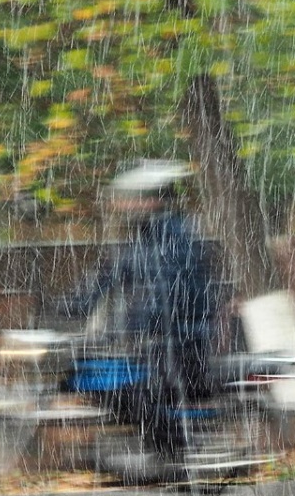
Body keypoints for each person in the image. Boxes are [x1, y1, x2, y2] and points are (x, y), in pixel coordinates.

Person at [57, 160, 223, 468]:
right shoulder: (143, 236)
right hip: (158, 339)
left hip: (183, 339)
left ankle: (176, 453)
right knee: (107, 384)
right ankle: (149, 449)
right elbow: (107, 277)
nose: (123, 205)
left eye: (131, 198)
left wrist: (132, 325)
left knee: (136, 392)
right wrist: (65, 308)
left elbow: (172, 290)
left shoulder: (177, 235)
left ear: (152, 199)